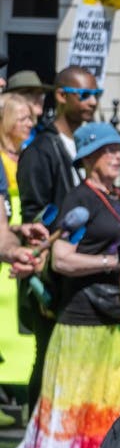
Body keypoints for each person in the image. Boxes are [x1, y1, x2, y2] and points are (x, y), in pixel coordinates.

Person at [15, 122, 120, 448]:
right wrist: (111, 263)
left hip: (119, 319)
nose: (117, 156)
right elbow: (62, 260)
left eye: (119, 149)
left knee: (111, 402)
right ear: (87, 158)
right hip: (82, 320)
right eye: (107, 150)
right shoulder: (78, 200)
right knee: (75, 402)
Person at [16, 65, 95, 411]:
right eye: (84, 95)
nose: (92, 102)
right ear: (61, 97)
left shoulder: (86, 145)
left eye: (96, 95)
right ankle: (33, 447)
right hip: (49, 274)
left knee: (71, 362)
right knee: (47, 357)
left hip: (77, 271)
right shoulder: (40, 150)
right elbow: (36, 212)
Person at [0, 93, 38, 392]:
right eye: (23, 118)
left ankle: (17, 385)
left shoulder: (28, 153)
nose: (30, 123)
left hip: (21, 242)